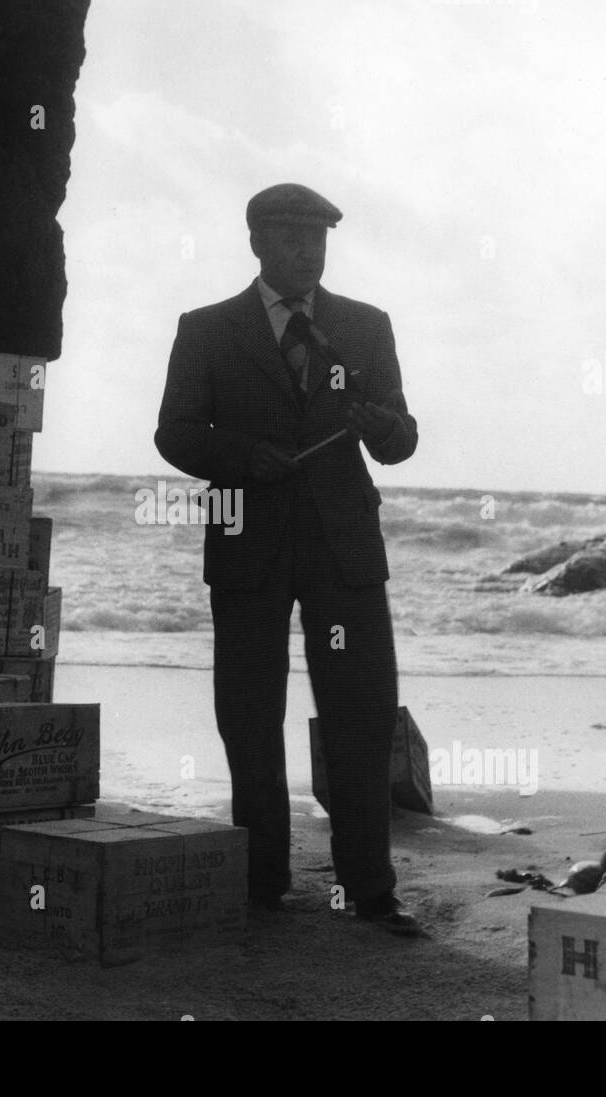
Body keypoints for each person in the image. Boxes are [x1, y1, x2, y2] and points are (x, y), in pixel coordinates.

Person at [154, 183, 421, 934]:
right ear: (257, 244)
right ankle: (261, 884)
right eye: (293, 237)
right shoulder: (205, 329)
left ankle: (371, 892)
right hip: (247, 539)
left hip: (344, 548)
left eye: (319, 239)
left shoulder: (366, 326)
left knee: (363, 716)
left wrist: (380, 425)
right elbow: (174, 433)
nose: (309, 251)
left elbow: (402, 440)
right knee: (249, 713)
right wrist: (246, 456)